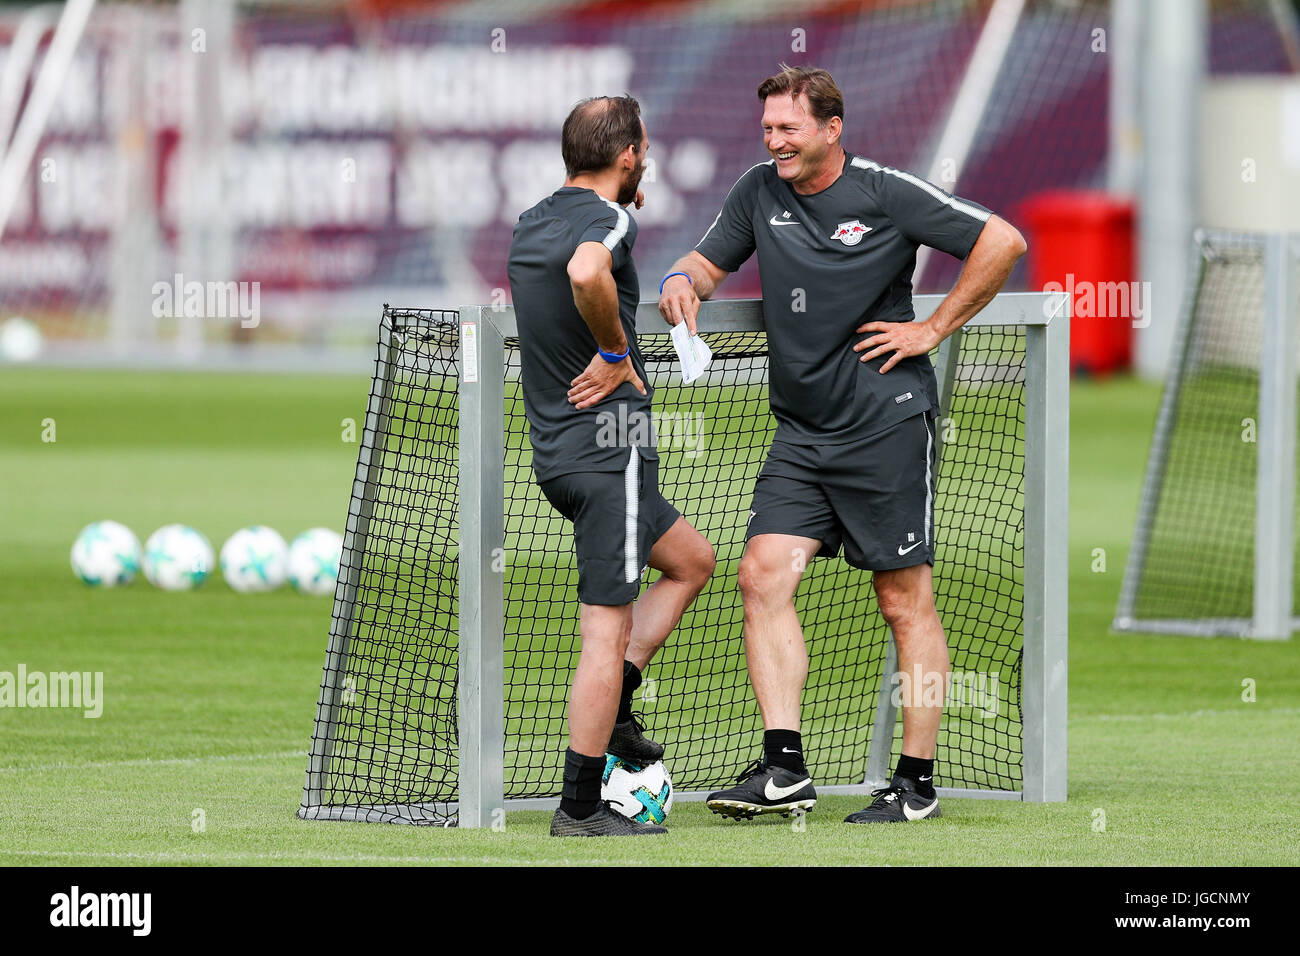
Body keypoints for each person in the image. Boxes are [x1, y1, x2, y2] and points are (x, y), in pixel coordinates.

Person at [656, 66, 1026, 823]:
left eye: (789, 128)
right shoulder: (759, 190)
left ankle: (916, 782)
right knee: (762, 577)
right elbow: (705, 258)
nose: (775, 142)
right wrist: (682, 280)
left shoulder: (886, 191)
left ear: (832, 129)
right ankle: (785, 768)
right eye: (768, 129)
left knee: (902, 601)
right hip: (801, 435)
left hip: (885, 427)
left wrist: (932, 328)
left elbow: (1003, 240)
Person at [508, 95, 716, 837]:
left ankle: (621, 707)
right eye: (645, 150)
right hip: (610, 453)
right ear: (628, 156)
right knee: (603, 633)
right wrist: (616, 354)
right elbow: (589, 272)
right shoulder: (611, 219)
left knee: (692, 560)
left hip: (561, 455)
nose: (648, 161)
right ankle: (579, 808)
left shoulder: (531, 219)